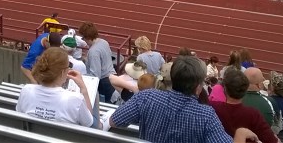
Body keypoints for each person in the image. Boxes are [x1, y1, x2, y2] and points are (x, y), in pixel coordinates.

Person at [110, 56, 258, 143]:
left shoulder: (147, 97)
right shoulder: (206, 116)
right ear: (198, 87)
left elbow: (114, 121)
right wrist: (240, 133)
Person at [16, 47, 101, 129]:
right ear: (63, 72)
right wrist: (83, 88)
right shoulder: (75, 99)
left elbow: (19, 115)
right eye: (69, 66)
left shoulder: (26, 90)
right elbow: (90, 126)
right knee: (96, 97)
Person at [211, 67, 278, 143]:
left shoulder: (213, 107)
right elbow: (272, 140)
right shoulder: (253, 115)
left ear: (225, 89)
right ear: (246, 88)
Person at [79, 22, 115, 103]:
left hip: (103, 84)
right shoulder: (104, 42)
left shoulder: (93, 52)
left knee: (104, 106)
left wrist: (82, 76)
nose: (83, 40)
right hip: (112, 77)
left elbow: (95, 75)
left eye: (83, 38)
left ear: (87, 37)